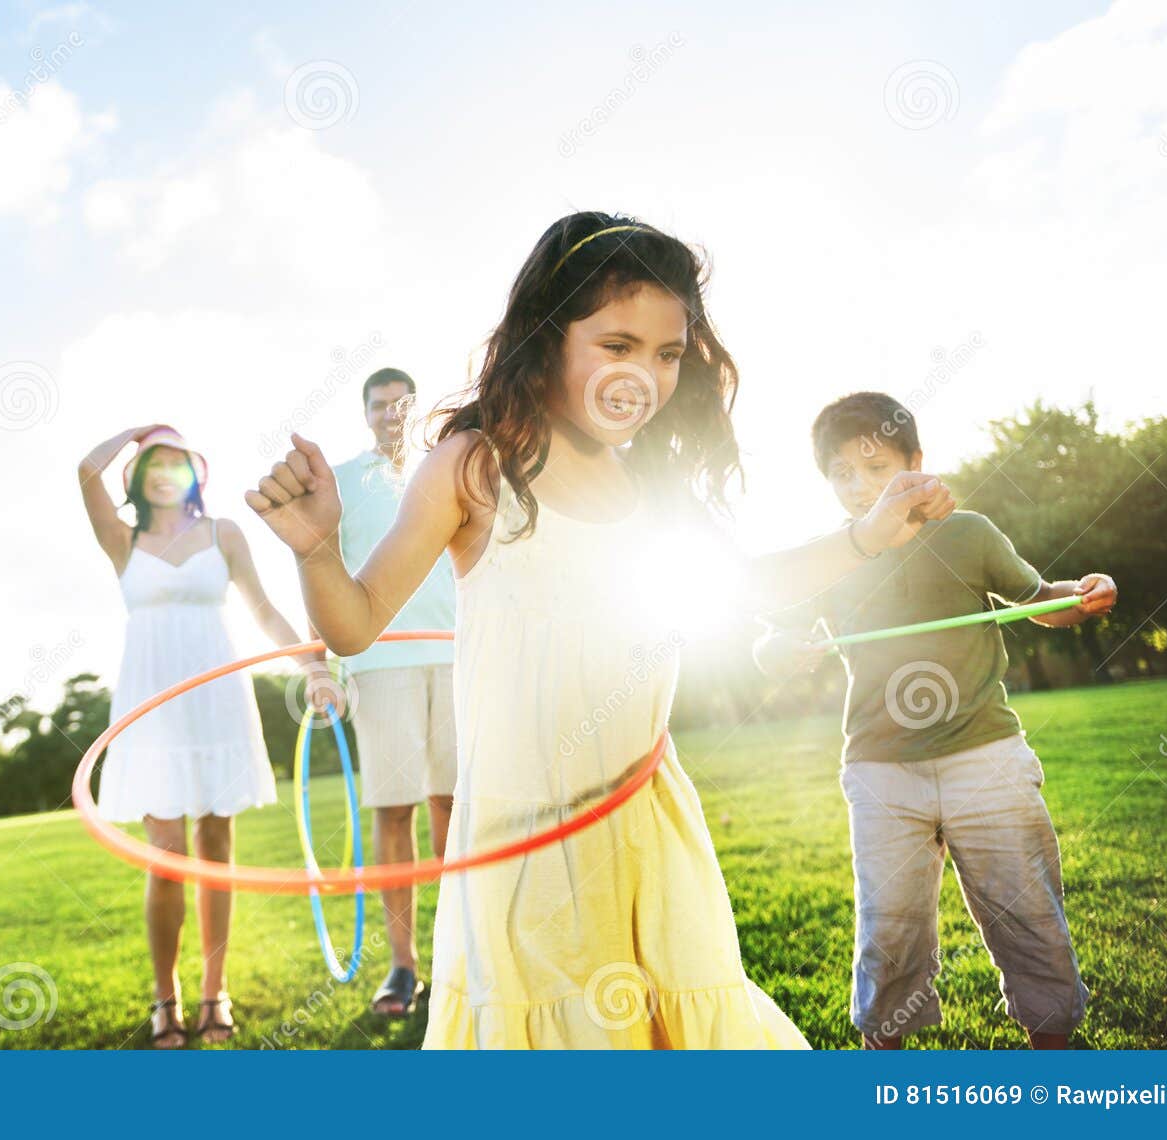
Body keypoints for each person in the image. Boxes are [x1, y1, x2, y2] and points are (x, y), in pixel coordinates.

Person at [245, 212, 956, 1048]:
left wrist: (864, 536)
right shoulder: (476, 467)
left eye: (666, 354)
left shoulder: (647, 484)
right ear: (549, 339)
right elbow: (357, 624)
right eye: (617, 346)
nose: (644, 376)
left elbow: (746, 587)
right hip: (524, 831)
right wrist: (318, 550)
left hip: (645, 811)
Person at [752, 391, 1116, 1049]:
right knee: (889, 926)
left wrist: (1082, 595)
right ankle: (881, 1052)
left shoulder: (969, 533)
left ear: (916, 462)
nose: (859, 487)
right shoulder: (833, 558)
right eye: (841, 474)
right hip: (879, 766)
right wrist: (783, 654)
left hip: (985, 755)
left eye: (875, 466)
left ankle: (1054, 1041)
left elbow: (1038, 602)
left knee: (1026, 910)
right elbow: (769, 644)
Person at [79, 424, 333, 1047]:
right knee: (165, 858)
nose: (166, 471)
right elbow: (87, 472)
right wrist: (138, 434)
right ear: (138, 476)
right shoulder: (124, 539)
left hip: (215, 699)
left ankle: (213, 992)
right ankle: (165, 998)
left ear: (197, 471)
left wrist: (314, 667)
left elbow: (265, 611)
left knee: (216, 846)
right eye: (153, 463)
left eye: (178, 460)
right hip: (151, 704)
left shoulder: (225, 533)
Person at [308, 367, 457, 1018]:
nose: (393, 415)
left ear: (416, 409)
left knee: (457, 806)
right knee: (394, 811)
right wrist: (320, 665)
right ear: (366, 413)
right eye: (380, 406)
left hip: (457, 655)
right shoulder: (341, 481)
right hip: (379, 664)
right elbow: (320, 568)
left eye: (403, 405)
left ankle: (462, 953)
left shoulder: (443, 469)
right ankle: (404, 968)